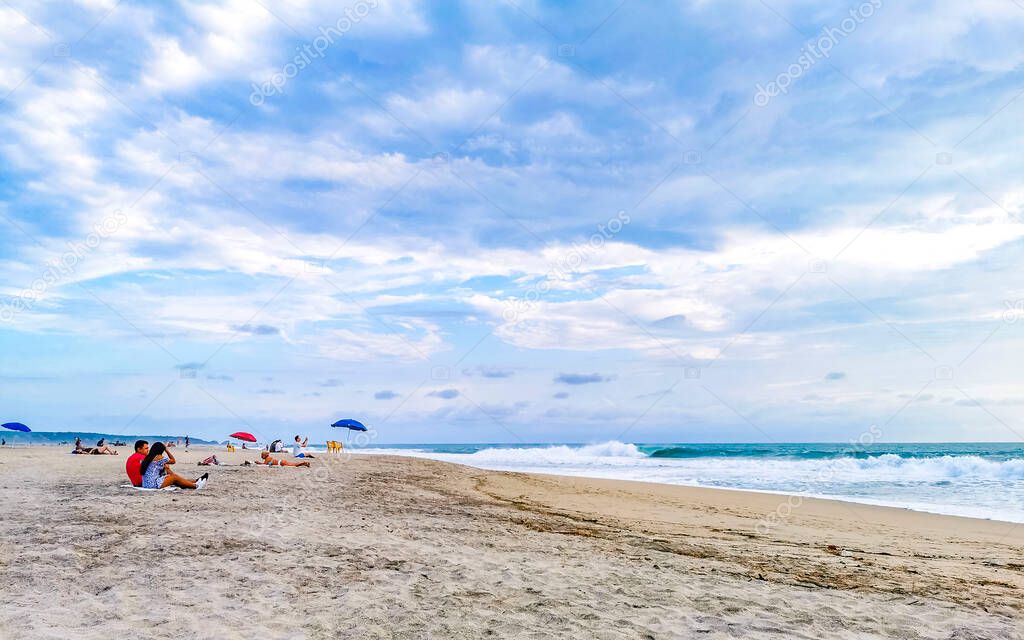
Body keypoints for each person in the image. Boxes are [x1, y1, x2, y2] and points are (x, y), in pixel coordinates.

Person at [139, 442, 208, 490]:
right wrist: (166, 450)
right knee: (174, 477)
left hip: (146, 484)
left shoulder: (147, 457)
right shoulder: (159, 457)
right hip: (153, 485)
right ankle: (196, 486)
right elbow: (173, 461)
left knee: (174, 477)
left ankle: (196, 480)